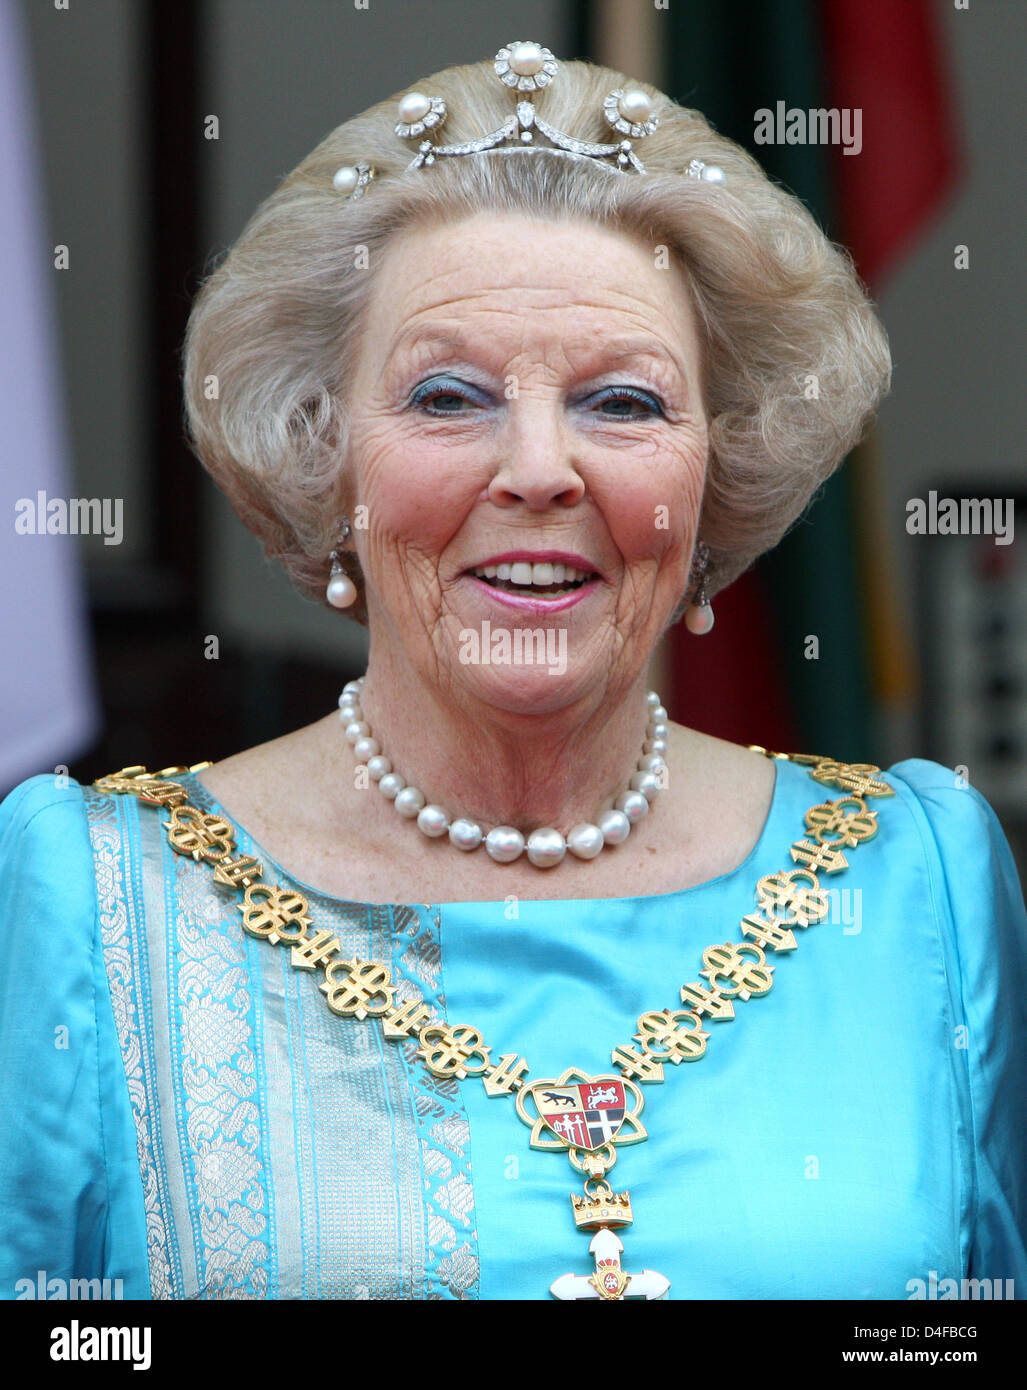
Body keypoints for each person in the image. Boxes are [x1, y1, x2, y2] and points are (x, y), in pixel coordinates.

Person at [1, 40, 1024, 1302]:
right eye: (445, 396)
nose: (540, 469)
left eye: (623, 405)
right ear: (326, 459)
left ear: (719, 475)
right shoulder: (94, 892)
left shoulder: (918, 877)